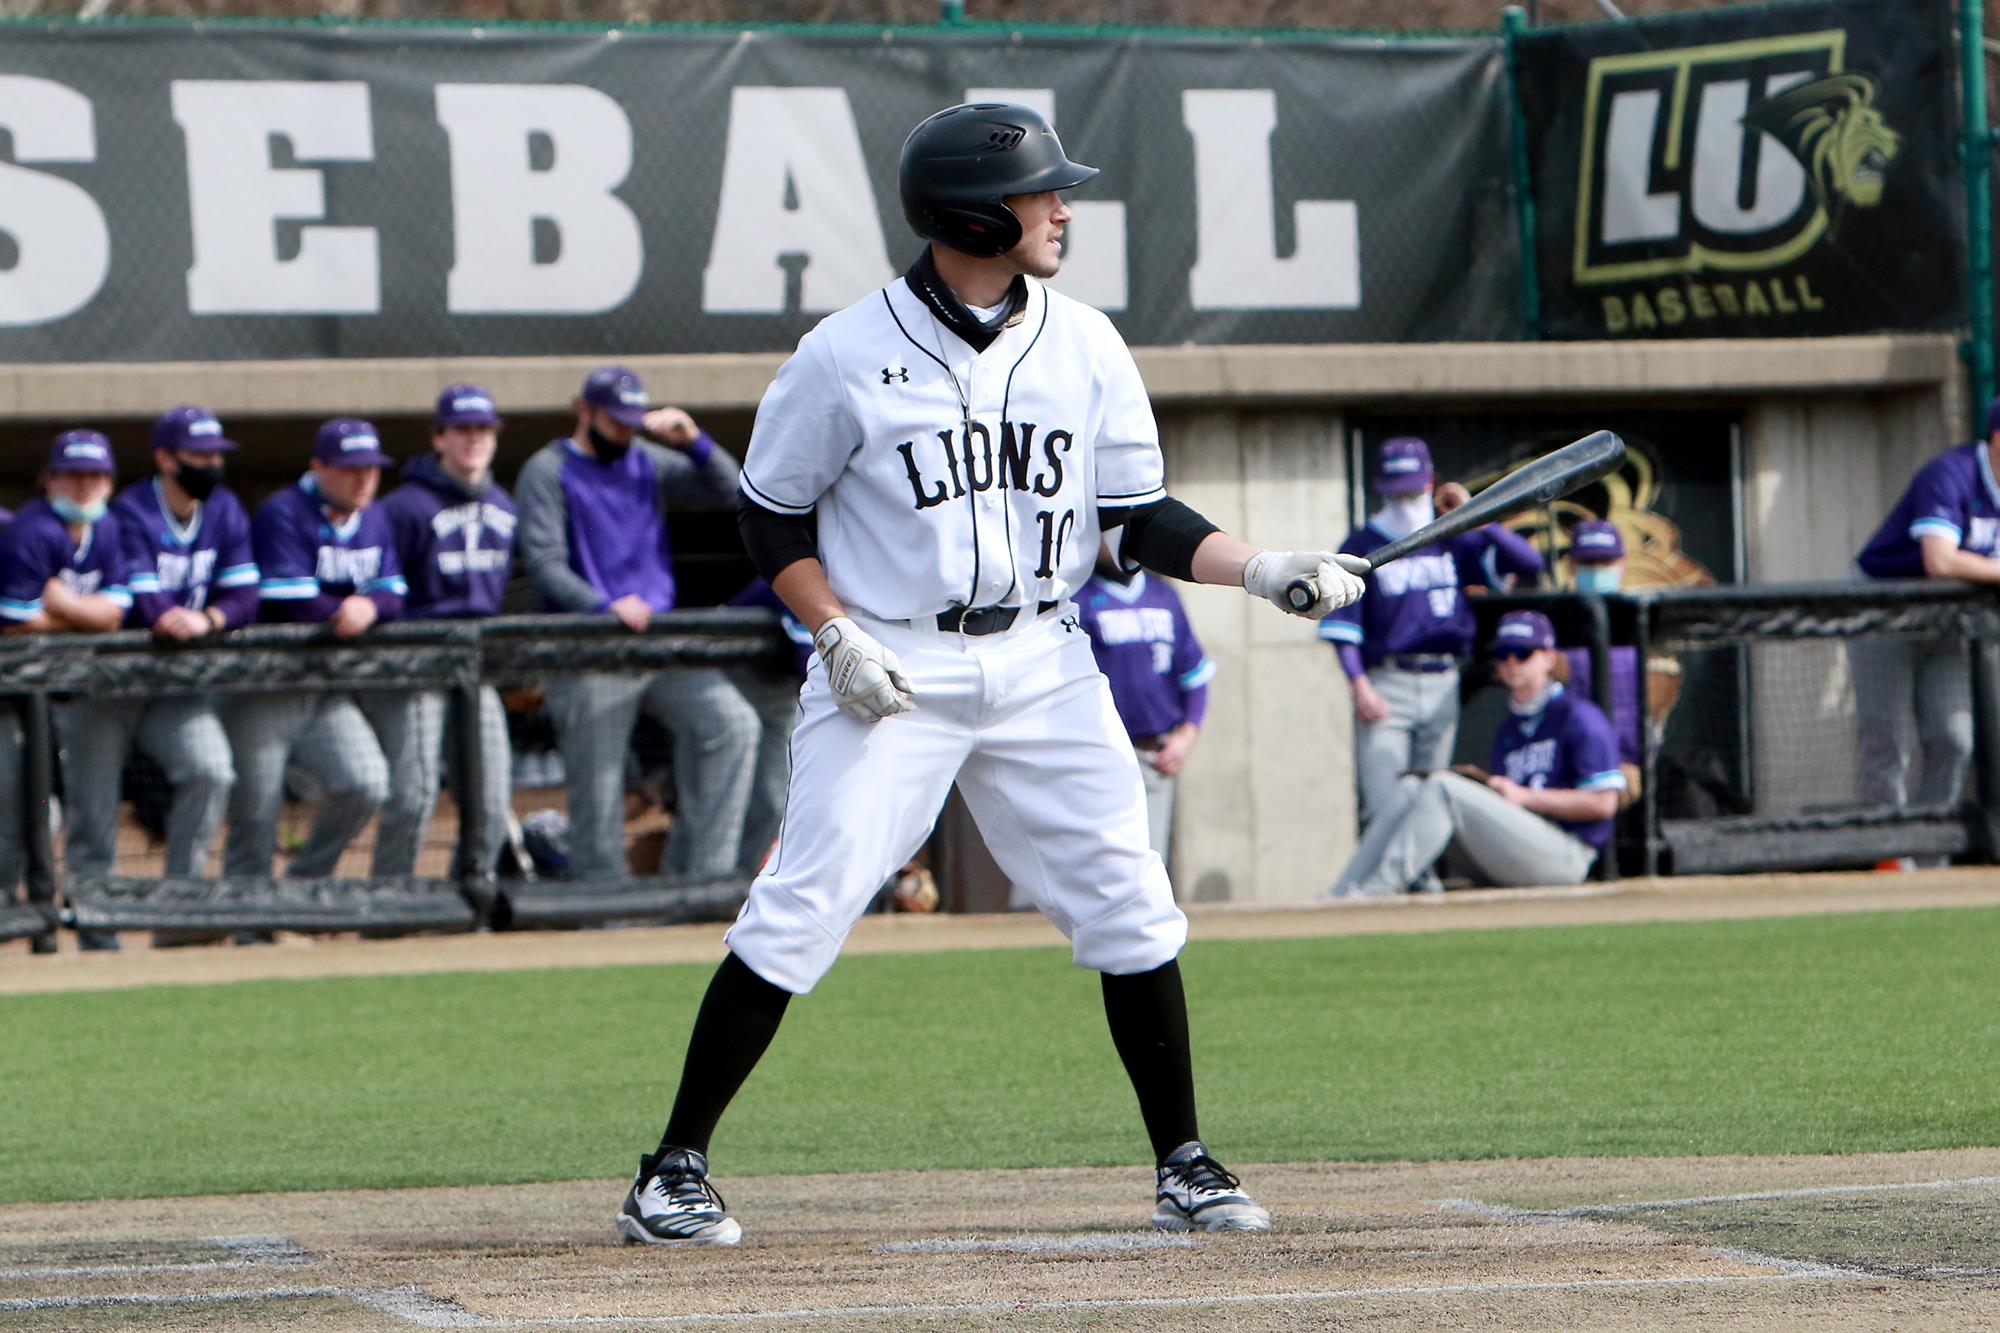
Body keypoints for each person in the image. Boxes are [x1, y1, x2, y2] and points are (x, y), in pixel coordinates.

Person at [613, 102, 1366, 1248]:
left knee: (1130, 902)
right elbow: (767, 517)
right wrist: (830, 631)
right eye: (1040, 192)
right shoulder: (841, 353)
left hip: (1040, 660)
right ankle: (670, 1167)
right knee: (805, 900)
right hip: (889, 661)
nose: (1062, 207)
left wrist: (1261, 568)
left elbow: (1136, 517)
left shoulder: (1085, 341)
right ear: (973, 211)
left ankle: (1184, 1162)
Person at [515, 366, 759, 882]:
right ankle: (603, 911)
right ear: (584, 411)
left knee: (731, 727)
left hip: (660, 641)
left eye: (632, 421)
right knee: (599, 787)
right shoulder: (547, 468)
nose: (625, 431)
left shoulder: (644, 460)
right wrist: (604, 605)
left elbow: (737, 491)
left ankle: (700, 880)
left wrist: (695, 442)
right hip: (590, 646)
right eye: (614, 420)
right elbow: (544, 562)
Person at [53, 406, 256, 891]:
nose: (210, 465)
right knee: (94, 814)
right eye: (198, 455)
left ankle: (182, 906)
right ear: (165, 458)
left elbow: (247, 594)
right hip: (106, 686)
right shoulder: (129, 510)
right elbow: (142, 598)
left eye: (215, 456)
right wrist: (168, 615)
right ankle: (96, 931)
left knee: (212, 771)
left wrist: (207, 618)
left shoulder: (224, 507)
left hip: (174, 684)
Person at [1319, 438, 1544, 826]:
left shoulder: (1452, 536)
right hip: (1388, 681)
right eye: (1397, 491)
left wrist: (1477, 514)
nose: (1405, 499)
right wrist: (1360, 686)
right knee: (1386, 801)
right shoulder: (1362, 543)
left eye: (1412, 489)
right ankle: (1392, 886)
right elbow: (1342, 629)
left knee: (1428, 800)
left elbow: (1528, 562)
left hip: (1443, 677)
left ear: (1429, 485)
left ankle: (1421, 883)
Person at [1329, 611, 1624, 898]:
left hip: (1567, 855)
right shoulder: (1511, 726)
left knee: (1442, 788)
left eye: (1523, 653)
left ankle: (1379, 891)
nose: (1511, 662)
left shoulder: (1579, 716)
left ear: (1548, 657)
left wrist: (1524, 797)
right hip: (1516, 846)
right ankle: (1339, 894)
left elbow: (1604, 803)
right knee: (1411, 789)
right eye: (1504, 653)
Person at [222, 419, 405, 879]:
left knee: (366, 783)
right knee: (256, 817)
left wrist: (367, 605)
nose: (364, 478)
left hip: (324, 686)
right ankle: (247, 927)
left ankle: (302, 888)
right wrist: (354, 607)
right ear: (318, 466)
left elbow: (394, 593)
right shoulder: (283, 511)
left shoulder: (374, 514)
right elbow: (291, 598)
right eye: (350, 468)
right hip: (264, 688)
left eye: (371, 468)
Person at [369, 385, 517, 879]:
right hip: (420, 662)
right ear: (439, 437)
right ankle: (389, 901)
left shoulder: (503, 503)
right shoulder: (404, 507)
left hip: (478, 667)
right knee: (413, 795)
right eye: (462, 429)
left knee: (493, 800)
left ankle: (465, 899)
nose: (474, 439)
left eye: (483, 429)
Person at [0, 431, 135, 949]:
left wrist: (59, 604)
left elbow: (115, 615)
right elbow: (14, 622)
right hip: (17, 704)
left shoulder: (108, 531)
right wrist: (84, 616)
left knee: (80, 815)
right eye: (74, 475)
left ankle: (86, 930)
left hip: (74, 701)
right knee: (17, 818)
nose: (84, 486)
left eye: (95, 476)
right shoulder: (30, 532)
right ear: (50, 478)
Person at [1849, 401, 2000, 816]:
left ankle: (1932, 854)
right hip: (1883, 608)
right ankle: (1889, 852)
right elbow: (1941, 562)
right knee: (1888, 738)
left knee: (1955, 738)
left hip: (1947, 620)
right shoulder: (1951, 473)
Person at [1076, 548, 1215, 866]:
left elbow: (1195, 677)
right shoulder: (1079, 597)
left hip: (1153, 753)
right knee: (1100, 862)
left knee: (1148, 862)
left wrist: (1186, 735)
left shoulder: (1164, 595)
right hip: (1098, 753)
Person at [1560, 518, 1643, 771]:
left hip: (1630, 763)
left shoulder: (1642, 617)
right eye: (1588, 562)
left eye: (1605, 561)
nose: (1596, 570)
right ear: (1572, 565)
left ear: (1622, 564)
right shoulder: (1555, 618)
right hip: (1568, 764)